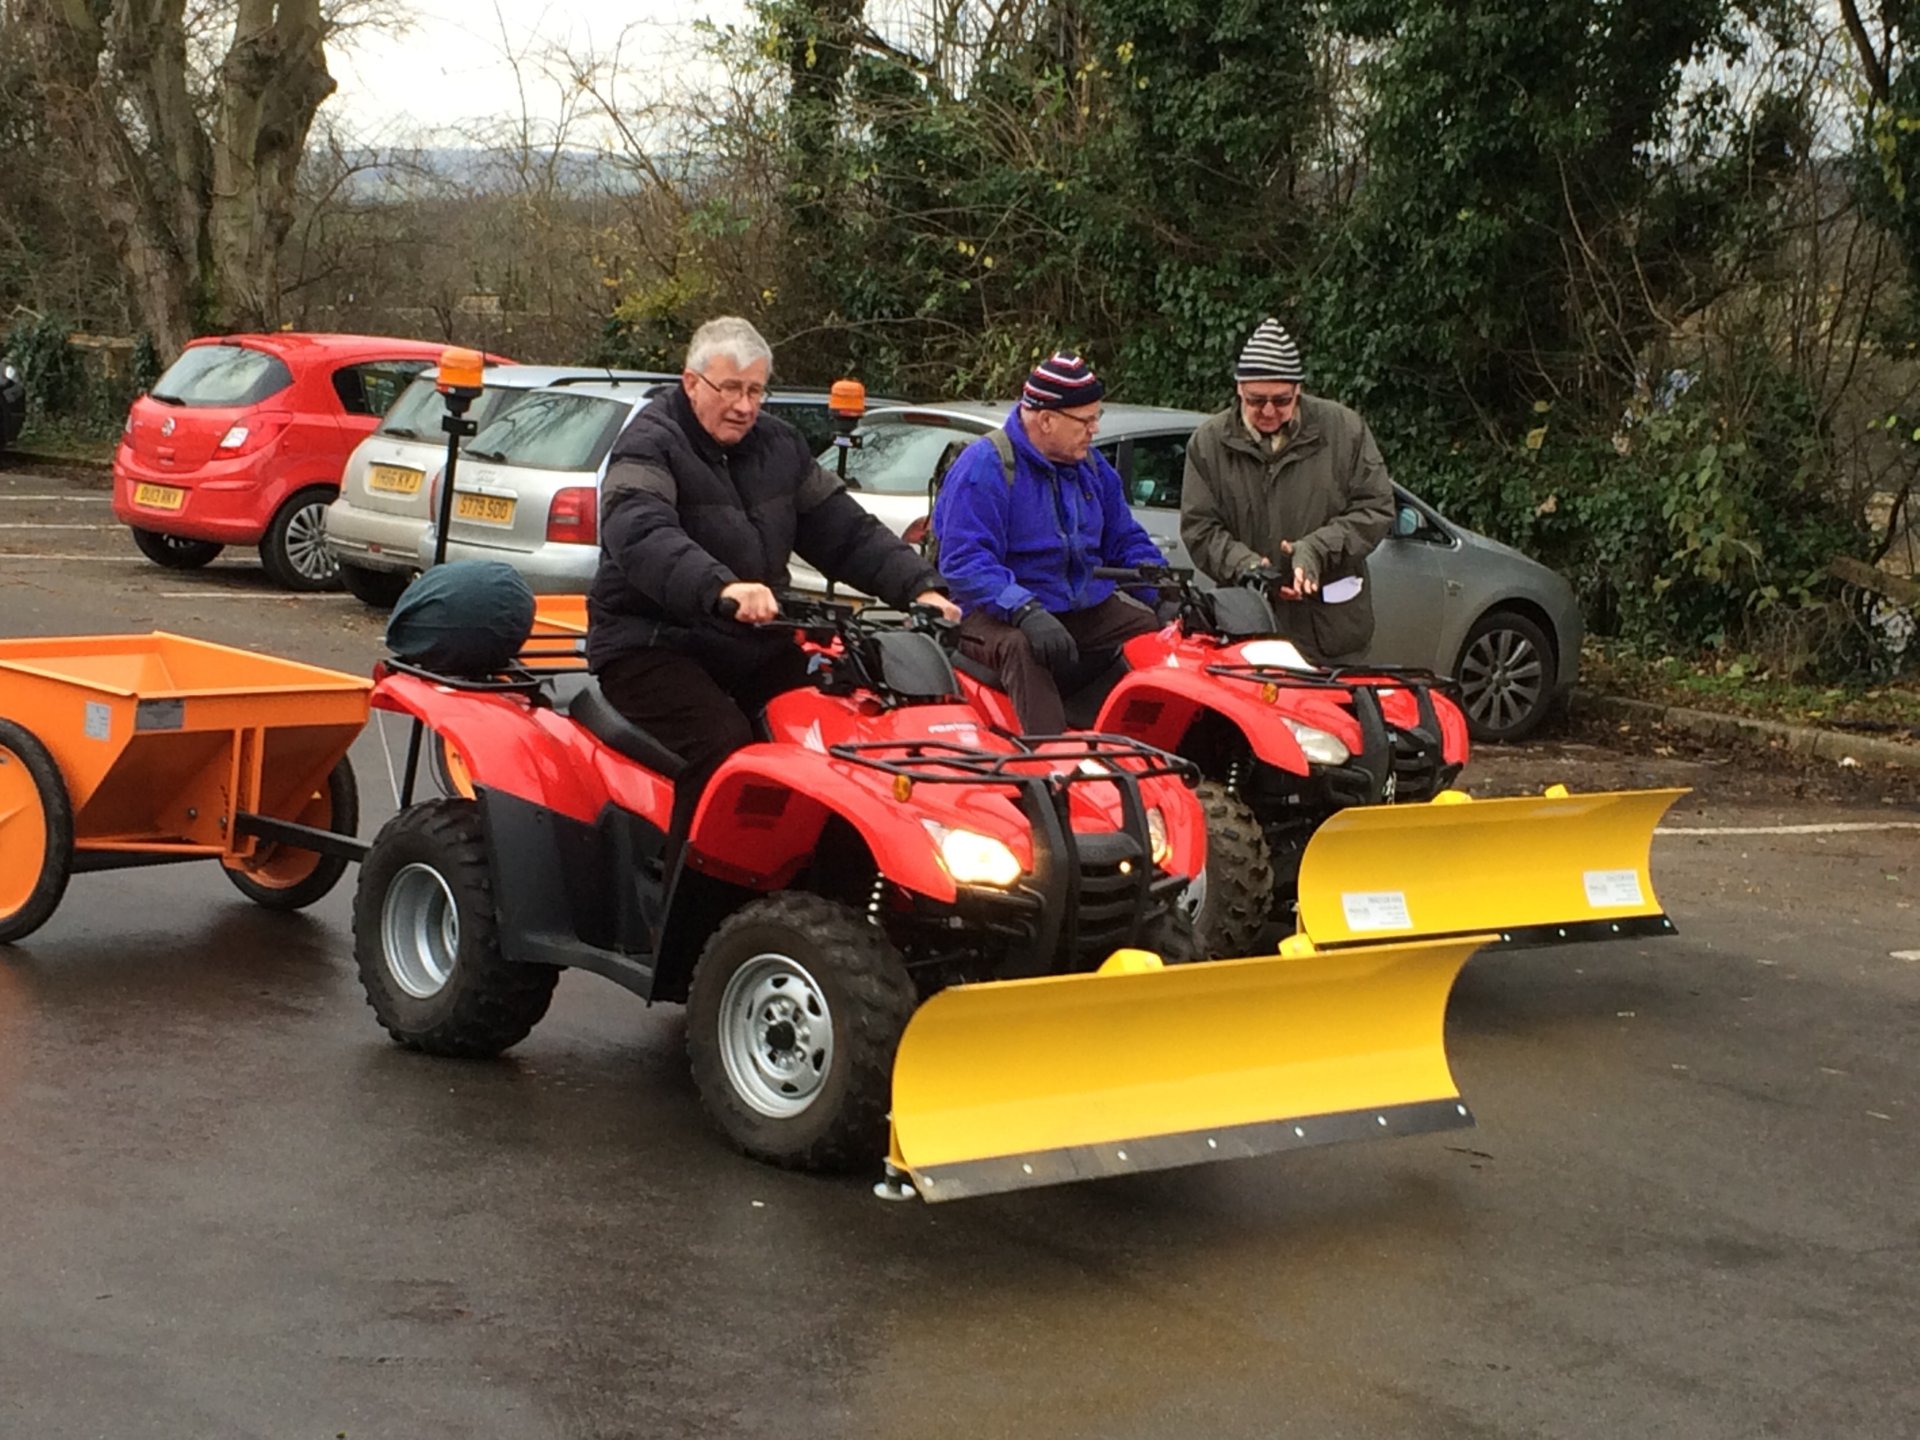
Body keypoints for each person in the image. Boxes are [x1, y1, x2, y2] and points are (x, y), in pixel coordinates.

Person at [587, 316, 958, 857]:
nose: (744, 405)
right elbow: (639, 531)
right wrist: (721, 588)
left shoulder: (779, 447)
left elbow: (845, 532)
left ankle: (829, 879)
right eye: (730, 388)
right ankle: (693, 895)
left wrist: (920, 586)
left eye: (755, 390)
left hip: (752, 644)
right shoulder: (648, 442)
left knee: (841, 727)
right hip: (651, 643)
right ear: (691, 382)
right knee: (724, 747)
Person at [931, 352, 1169, 733]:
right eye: (1086, 420)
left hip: (1078, 607)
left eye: (1097, 418)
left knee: (1154, 634)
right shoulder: (985, 467)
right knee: (1023, 649)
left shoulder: (1092, 467)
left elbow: (1124, 538)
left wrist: (1161, 590)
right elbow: (964, 561)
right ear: (1045, 419)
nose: (1094, 430)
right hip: (992, 613)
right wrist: (1023, 609)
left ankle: (1150, 747)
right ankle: (1051, 763)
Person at [1179, 318, 1394, 665]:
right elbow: (1200, 529)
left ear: (1298, 390)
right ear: (1239, 389)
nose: (1268, 411)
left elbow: (1376, 509)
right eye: (1256, 399)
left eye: (1281, 400)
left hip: (1331, 632)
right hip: (1247, 628)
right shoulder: (1208, 443)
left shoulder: (1345, 430)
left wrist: (1316, 550)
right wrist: (1247, 567)